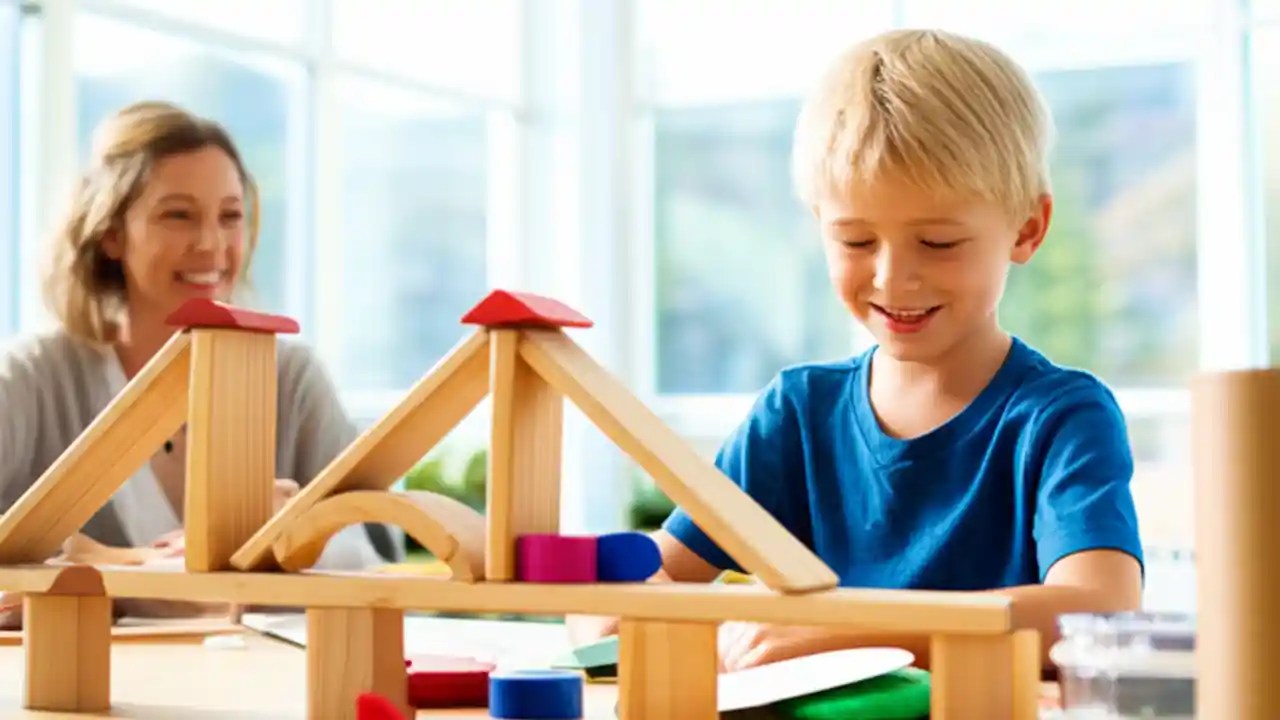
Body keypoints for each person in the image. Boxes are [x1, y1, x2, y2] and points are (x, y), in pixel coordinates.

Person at [568, 28, 1143, 672]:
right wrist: (606, 596)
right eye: (856, 241)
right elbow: (650, 589)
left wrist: (850, 633)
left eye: (938, 242)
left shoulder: (1061, 416)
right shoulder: (798, 414)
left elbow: (1100, 608)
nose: (893, 278)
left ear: (1028, 228)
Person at [0, 101, 401, 624]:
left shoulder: (290, 378)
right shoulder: (34, 378)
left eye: (230, 217)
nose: (211, 244)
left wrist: (299, 533)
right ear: (112, 233)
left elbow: (379, 557)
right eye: (178, 215)